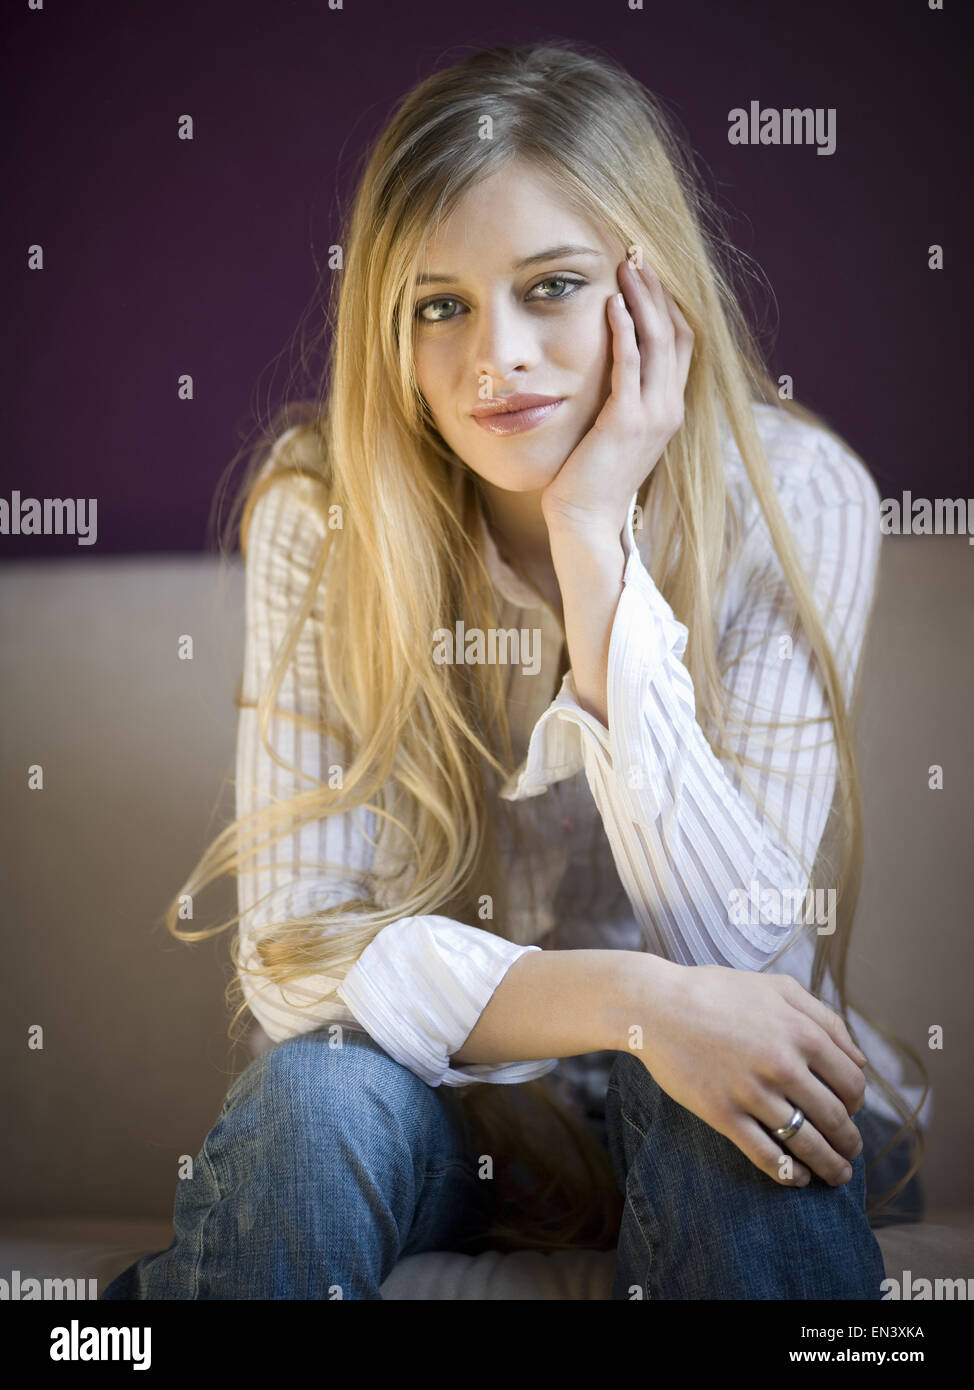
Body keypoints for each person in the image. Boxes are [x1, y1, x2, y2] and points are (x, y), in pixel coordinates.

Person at [102, 41, 929, 1302]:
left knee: (726, 1114)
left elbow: (742, 954)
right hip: (458, 1105)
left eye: (550, 286)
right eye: (440, 305)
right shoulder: (318, 510)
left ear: (651, 288)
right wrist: (637, 1004)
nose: (494, 358)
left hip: (727, 1082)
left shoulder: (796, 497)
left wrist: (593, 538)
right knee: (307, 1103)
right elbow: (296, 956)